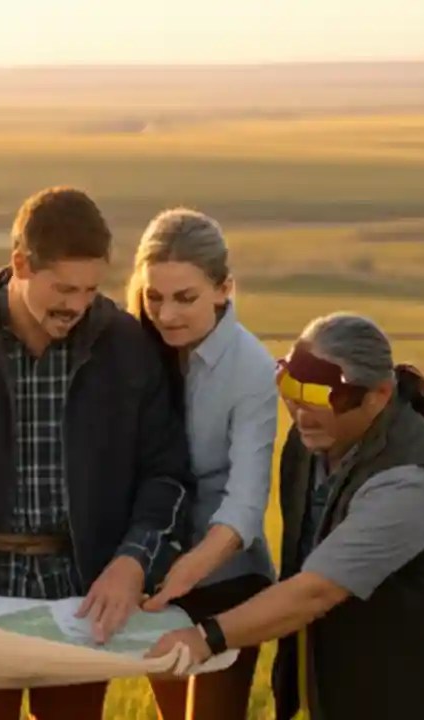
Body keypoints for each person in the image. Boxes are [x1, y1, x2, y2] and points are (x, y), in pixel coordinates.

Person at [0, 187, 194, 720]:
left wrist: (131, 564)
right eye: (63, 288)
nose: (77, 305)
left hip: (86, 591)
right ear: (20, 263)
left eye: (90, 289)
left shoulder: (125, 344)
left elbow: (167, 473)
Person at [147, 313, 424, 720]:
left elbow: (316, 590)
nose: (302, 414)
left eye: (325, 398)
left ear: (379, 394)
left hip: (420, 688)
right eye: (292, 390)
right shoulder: (312, 436)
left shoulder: (407, 481)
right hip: (348, 675)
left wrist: (205, 638)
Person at [125, 209, 278, 720]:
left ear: (224, 288)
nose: (166, 314)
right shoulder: (134, 350)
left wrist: (188, 571)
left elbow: (246, 503)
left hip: (227, 579)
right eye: (154, 297)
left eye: (184, 298)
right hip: (147, 574)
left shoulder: (251, 369)